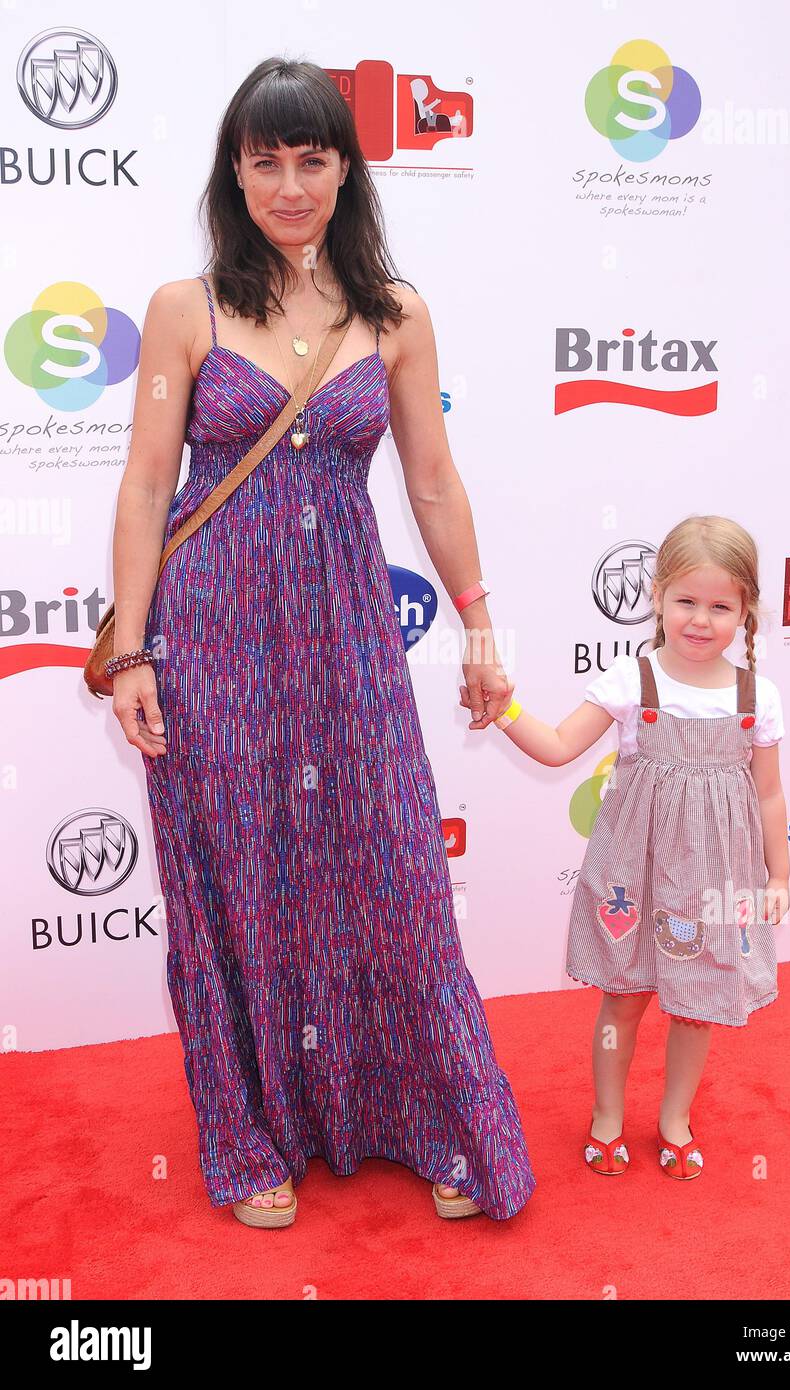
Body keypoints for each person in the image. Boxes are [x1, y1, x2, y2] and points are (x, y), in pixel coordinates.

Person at [108, 57, 535, 1227]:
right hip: (211, 637)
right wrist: (133, 651)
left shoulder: (395, 314)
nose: (290, 183)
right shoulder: (183, 309)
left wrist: (483, 621)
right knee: (235, 877)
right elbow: (149, 487)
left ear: (347, 168)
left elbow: (433, 481)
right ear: (234, 170)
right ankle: (255, 1139)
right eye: (266, 159)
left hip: (349, 633)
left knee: (392, 873)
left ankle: (430, 1117)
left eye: (312, 158)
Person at [461, 515, 790, 1181]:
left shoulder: (758, 696)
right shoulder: (629, 679)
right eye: (686, 602)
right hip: (632, 877)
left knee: (698, 1007)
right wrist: (506, 712)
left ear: (745, 610)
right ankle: (606, 1116)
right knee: (623, 999)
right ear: (658, 596)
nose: (700, 620)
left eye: (720, 606)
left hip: (712, 882)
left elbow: (769, 797)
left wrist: (777, 876)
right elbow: (556, 747)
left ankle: (674, 1119)